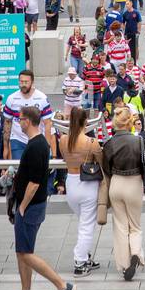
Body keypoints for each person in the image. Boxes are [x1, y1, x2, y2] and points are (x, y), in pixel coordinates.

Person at [3, 106, 75, 290]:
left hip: (31, 207)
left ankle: (62, 286)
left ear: (28, 121)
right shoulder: (38, 144)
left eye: (20, 119)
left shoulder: (36, 146)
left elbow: (34, 183)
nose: (18, 122)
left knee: (25, 254)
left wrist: (22, 207)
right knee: (22, 252)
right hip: (33, 205)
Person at [101, 104, 145, 281]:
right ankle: (136, 252)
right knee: (135, 225)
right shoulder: (139, 141)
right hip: (134, 181)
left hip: (116, 182)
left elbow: (106, 167)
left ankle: (124, 264)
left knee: (120, 226)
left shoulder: (109, 143)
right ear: (130, 122)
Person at [59, 105, 104, 277]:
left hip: (71, 181)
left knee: (83, 222)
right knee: (87, 225)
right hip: (87, 184)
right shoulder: (91, 142)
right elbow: (100, 159)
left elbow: (64, 157)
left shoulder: (63, 140)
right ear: (85, 122)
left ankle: (84, 256)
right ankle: (80, 260)